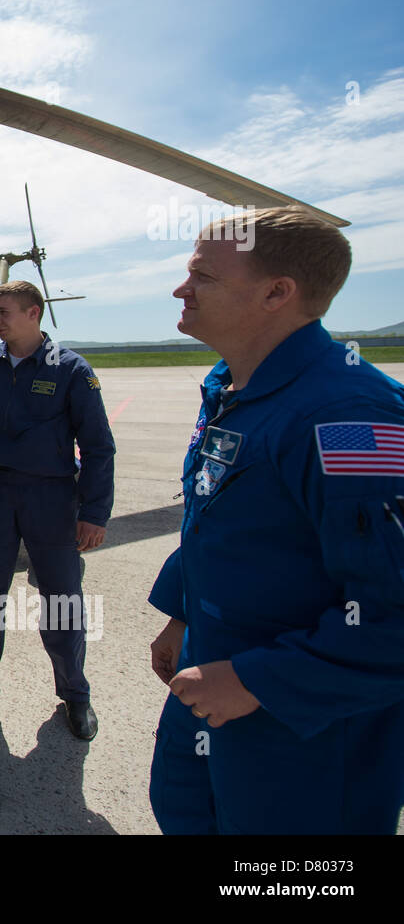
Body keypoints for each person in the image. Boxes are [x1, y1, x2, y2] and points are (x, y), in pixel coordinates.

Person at [147, 207, 404, 834]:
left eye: (202, 276)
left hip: (304, 729)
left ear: (276, 293)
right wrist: (183, 615)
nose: (182, 290)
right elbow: (217, 515)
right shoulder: (232, 387)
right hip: (211, 682)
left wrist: (259, 680)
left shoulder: (349, 417)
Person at [0, 280, 115, 740]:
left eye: (3, 313)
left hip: (51, 498)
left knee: (60, 599)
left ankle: (75, 695)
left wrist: (94, 512)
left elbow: (98, 446)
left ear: (33, 313)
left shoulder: (72, 370)